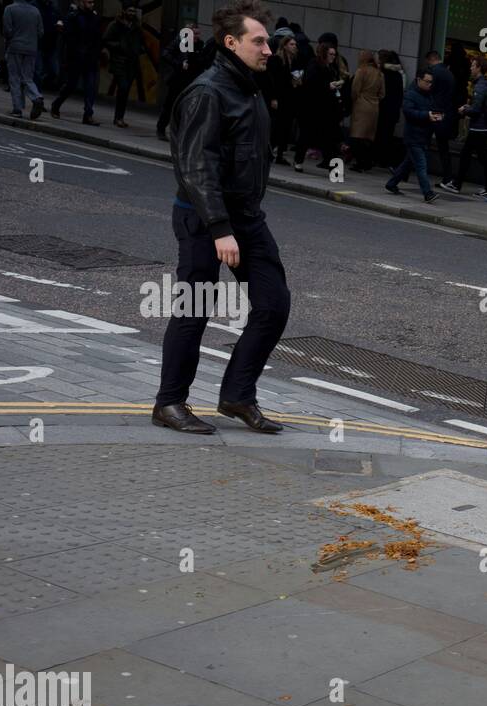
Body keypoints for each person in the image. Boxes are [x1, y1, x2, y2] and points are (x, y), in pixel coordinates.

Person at [155, 0, 289, 436]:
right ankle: (169, 403)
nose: (268, 49)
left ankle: (236, 396)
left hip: (246, 217)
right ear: (231, 42)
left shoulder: (247, 88)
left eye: (267, 41)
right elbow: (196, 168)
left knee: (273, 304)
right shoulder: (208, 92)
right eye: (260, 41)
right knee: (194, 307)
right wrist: (220, 229)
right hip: (203, 217)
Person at [384, 68, 440, 202]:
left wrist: (436, 116)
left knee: (408, 163)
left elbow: (430, 111)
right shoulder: (411, 94)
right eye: (427, 82)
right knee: (421, 165)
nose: (429, 84)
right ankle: (428, 193)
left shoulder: (429, 95)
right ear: (419, 80)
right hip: (413, 136)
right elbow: (409, 112)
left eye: (431, 82)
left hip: (423, 135)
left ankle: (391, 184)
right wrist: (427, 115)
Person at [292, 41, 342, 172]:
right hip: (312, 108)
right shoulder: (314, 64)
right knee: (306, 135)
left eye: (334, 54)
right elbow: (310, 83)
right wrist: (328, 86)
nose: (333, 56)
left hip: (325, 108)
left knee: (327, 136)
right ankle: (298, 160)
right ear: (324, 53)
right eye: (330, 54)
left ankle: (331, 164)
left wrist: (334, 85)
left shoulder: (330, 67)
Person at [49, 0, 100, 123]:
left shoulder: (94, 18)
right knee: (71, 86)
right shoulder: (73, 17)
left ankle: (88, 114)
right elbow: (68, 39)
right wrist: (68, 58)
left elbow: (97, 38)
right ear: (82, 3)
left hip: (90, 58)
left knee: (90, 87)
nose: (91, 5)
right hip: (76, 58)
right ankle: (56, 104)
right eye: (89, 2)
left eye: (93, 2)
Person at [451, 56, 487, 196]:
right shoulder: (484, 84)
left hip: (479, 127)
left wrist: (464, 110)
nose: (470, 68)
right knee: (477, 157)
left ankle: (458, 184)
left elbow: (476, 109)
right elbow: (480, 106)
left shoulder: (480, 85)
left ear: (479, 68)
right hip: (482, 126)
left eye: (473, 66)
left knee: (472, 156)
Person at [156, 22, 207, 141]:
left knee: (186, 107)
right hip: (178, 79)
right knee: (170, 105)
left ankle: (180, 133)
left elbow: (202, 60)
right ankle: (161, 128)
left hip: (192, 80)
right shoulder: (182, 42)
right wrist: (179, 64)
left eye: (197, 34)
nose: (196, 37)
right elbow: (166, 54)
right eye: (194, 34)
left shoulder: (200, 44)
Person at [102, 4, 143, 128]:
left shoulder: (136, 26)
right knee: (123, 88)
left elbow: (139, 42)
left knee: (125, 92)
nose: (132, 13)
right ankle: (118, 118)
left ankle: (120, 117)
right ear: (124, 11)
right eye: (130, 10)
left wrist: (139, 50)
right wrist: (119, 46)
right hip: (119, 61)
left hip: (132, 62)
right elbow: (106, 40)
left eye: (134, 11)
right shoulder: (115, 25)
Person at [2, 0, 44, 118]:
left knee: (14, 78)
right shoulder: (36, 11)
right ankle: (36, 96)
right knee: (27, 78)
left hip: (15, 47)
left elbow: (7, 30)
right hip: (31, 49)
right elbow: (41, 32)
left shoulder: (10, 9)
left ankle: (17, 109)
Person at [257, 28, 294, 159]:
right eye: (292, 44)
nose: (294, 47)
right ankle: (269, 148)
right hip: (276, 97)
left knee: (281, 126)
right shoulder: (276, 59)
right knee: (275, 125)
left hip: (284, 97)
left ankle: (276, 151)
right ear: (284, 45)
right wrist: (273, 97)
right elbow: (271, 79)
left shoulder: (290, 60)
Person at [424, 50, 457, 189]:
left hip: (434, 112)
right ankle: (448, 177)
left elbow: (429, 90)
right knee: (443, 147)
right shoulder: (449, 73)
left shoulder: (434, 72)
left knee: (421, 142)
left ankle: (404, 172)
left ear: (431, 59)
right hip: (445, 114)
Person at [348, 49, 383, 172]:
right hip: (374, 107)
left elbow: (355, 90)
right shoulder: (379, 73)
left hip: (361, 105)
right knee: (368, 137)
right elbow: (382, 93)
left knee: (357, 136)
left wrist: (355, 100)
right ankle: (367, 162)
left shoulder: (361, 71)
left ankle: (360, 162)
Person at [374, 49, 405, 170]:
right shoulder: (397, 75)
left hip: (382, 108)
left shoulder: (381, 74)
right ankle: (384, 160)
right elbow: (400, 94)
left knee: (379, 134)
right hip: (393, 110)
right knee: (387, 135)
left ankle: (377, 157)